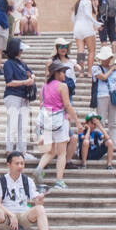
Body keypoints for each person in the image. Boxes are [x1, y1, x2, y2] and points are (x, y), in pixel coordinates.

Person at [0, 151, 52, 230]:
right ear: (8, 165)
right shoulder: (0, 181)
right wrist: (11, 215)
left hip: (23, 216)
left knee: (40, 209)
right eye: (17, 163)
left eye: (22, 163)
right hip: (6, 217)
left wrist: (40, 198)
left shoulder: (28, 181)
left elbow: (37, 203)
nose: (20, 166)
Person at [35, 61, 78, 191]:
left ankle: (39, 168)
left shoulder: (44, 87)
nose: (64, 74)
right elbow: (67, 105)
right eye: (62, 72)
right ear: (56, 73)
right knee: (61, 153)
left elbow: (41, 105)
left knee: (50, 151)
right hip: (60, 121)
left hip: (47, 120)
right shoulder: (62, 86)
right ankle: (59, 181)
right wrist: (78, 121)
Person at [2, 39, 35, 157]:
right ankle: (9, 149)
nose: (21, 51)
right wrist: (25, 82)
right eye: (20, 49)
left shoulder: (21, 63)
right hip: (13, 95)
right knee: (13, 122)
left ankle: (22, 150)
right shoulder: (8, 64)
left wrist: (31, 77)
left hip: (23, 96)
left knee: (23, 124)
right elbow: (9, 82)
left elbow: (31, 73)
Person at [90, 46, 116, 143]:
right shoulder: (96, 68)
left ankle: (114, 144)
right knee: (101, 121)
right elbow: (103, 77)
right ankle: (99, 143)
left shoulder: (115, 70)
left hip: (112, 96)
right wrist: (111, 70)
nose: (106, 60)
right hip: (101, 96)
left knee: (113, 122)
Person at [70, 0, 97, 68]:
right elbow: (88, 14)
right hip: (87, 28)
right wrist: (96, 23)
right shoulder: (87, 2)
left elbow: (72, 18)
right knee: (91, 50)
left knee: (80, 51)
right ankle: (89, 72)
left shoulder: (77, 3)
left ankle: (81, 72)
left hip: (77, 28)